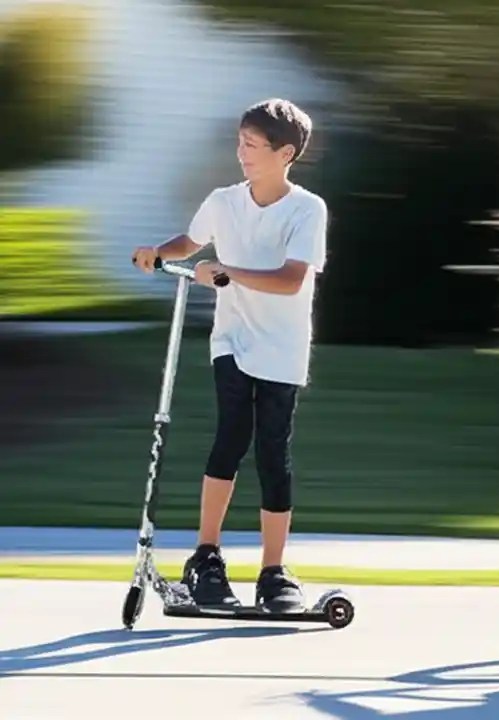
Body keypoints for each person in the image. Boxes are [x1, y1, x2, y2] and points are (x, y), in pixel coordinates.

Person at [130, 98, 328, 611]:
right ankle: (207, 556)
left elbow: (290, 280)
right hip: (234, 341)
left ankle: (273, 571)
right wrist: (160, 252)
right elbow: (191, 242)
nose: (240, 152)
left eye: (251, 145)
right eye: (239, 141)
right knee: (230, 437)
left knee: (272, 454)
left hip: (283, 347)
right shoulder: (223, 201)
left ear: (285, 153)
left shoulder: (307, 210)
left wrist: (227, 272)